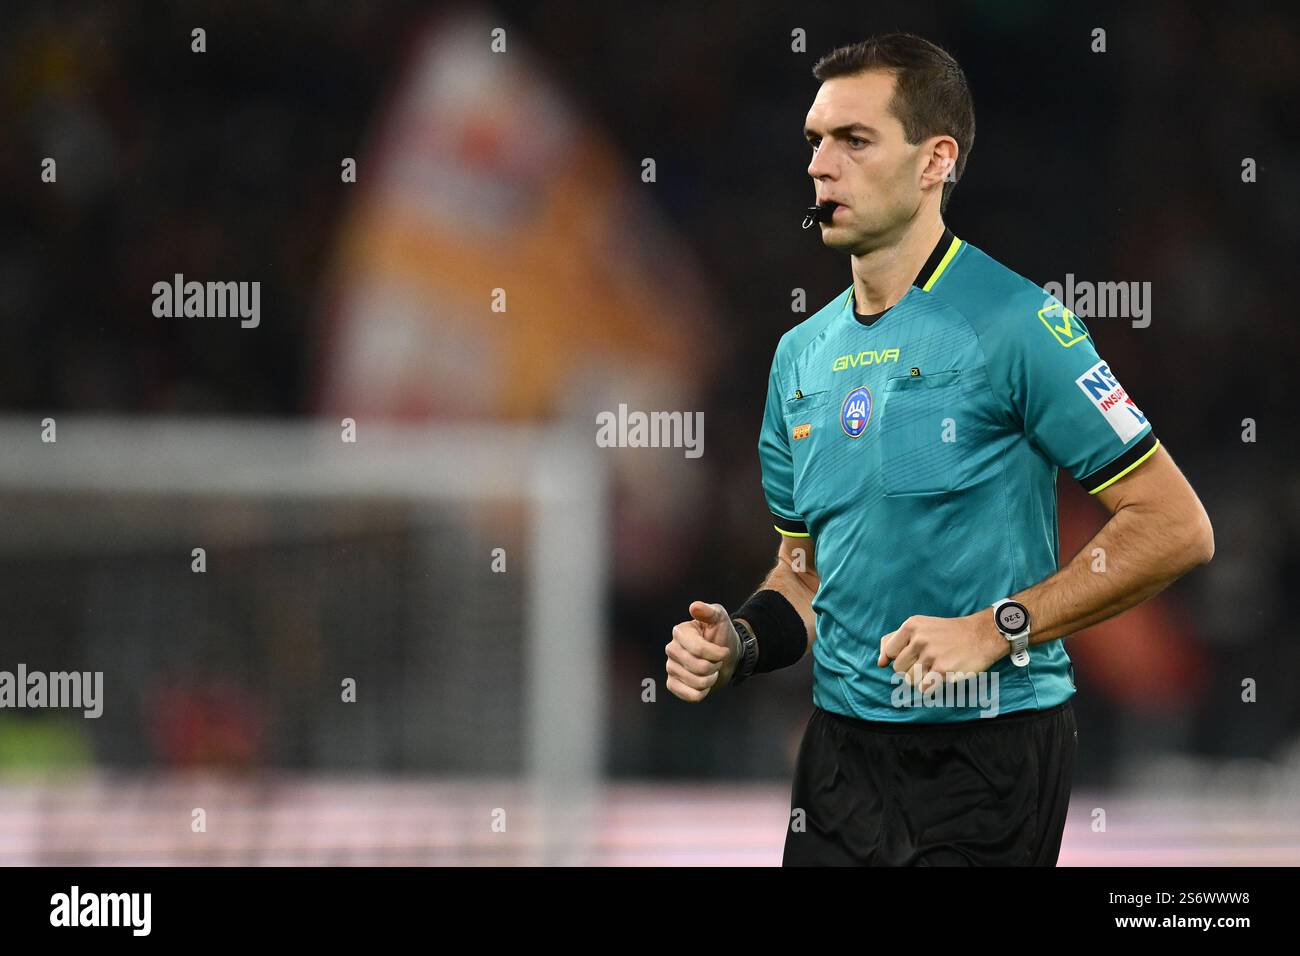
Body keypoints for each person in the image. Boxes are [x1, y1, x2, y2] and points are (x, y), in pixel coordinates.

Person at [664, 33, 1214, 866]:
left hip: (990, 756)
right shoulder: (799, 358)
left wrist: (1000, 627)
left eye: (854, 140)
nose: (820, 166)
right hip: (840, 759)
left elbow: (1176, 526)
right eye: (815, 140)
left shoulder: (1019, 325)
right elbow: (805, 576)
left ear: (935, 161)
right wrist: (739, 642)